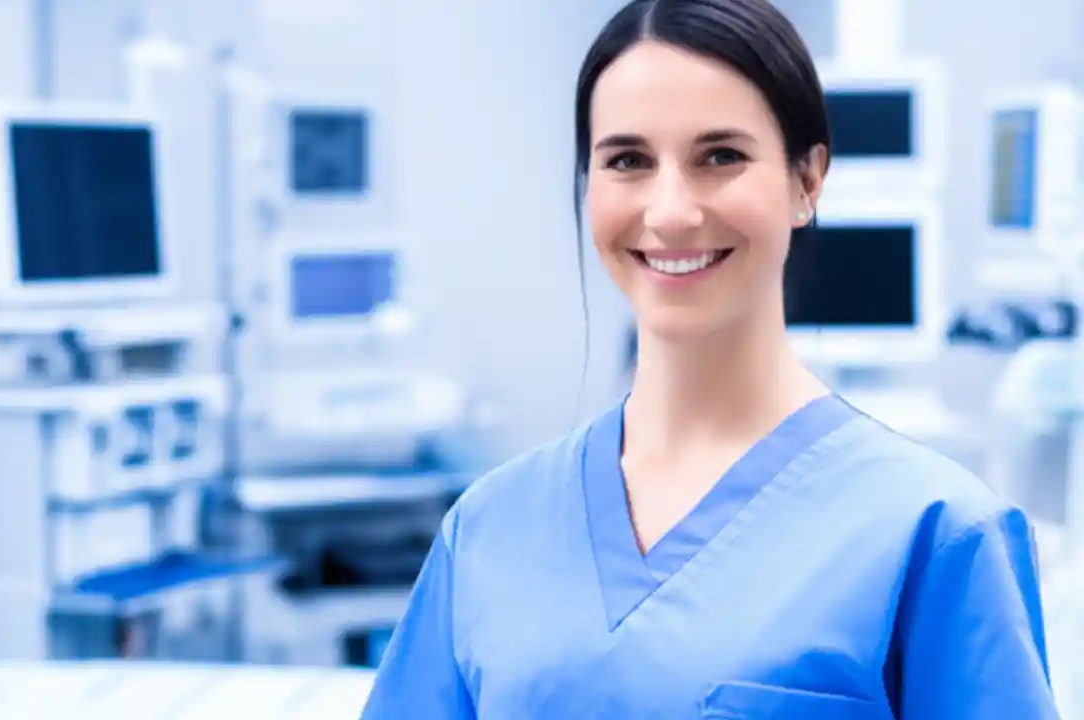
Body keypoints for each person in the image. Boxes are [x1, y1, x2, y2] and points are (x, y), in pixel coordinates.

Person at [361, 0, 1058, 717]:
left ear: (807, 179)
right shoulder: (489, 530)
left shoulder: (934, 533)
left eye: (720, 156)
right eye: (627, 160)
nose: (669, 212)